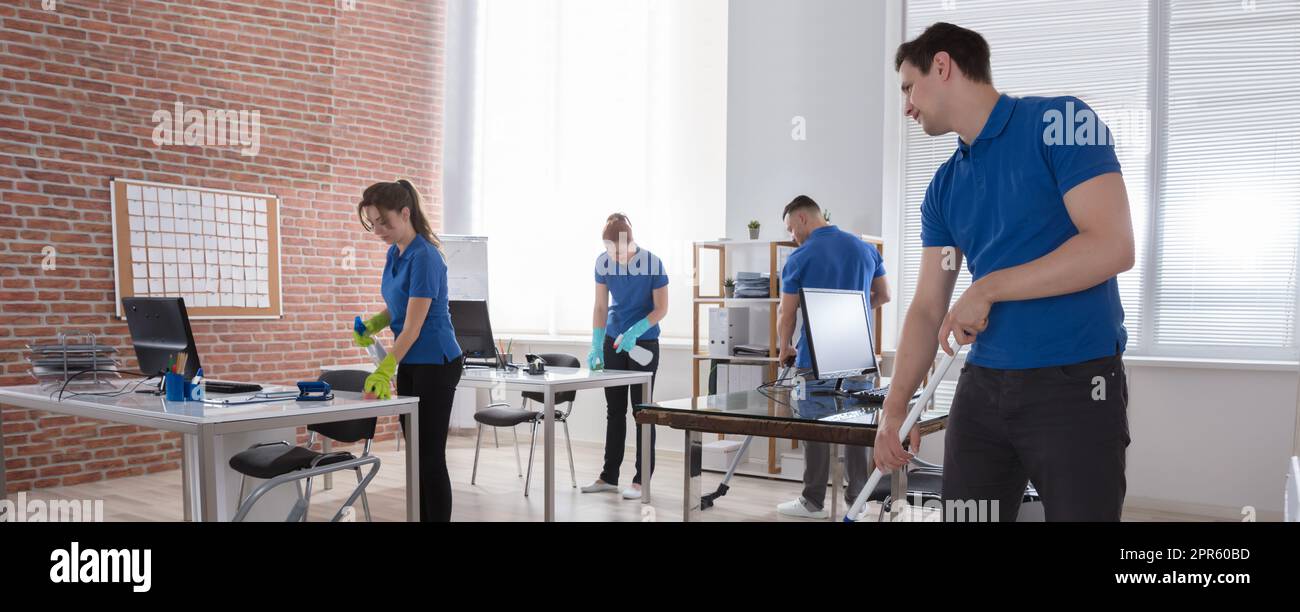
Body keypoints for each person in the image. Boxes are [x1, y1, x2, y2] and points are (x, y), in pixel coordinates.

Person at [877, 23, 1134, 522]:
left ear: (943, 65)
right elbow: (930, 305)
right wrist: (895, 409)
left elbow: (1112, 245)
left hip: (1076, 386)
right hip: (984, 391)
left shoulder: (1062, 122)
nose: (906, 106)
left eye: (908, 87)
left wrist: (990, 286)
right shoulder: (945, 186)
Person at [353, 179, 464, 522]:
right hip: (411, 361)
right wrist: (374, 324)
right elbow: (400, 307)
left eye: (384, 221)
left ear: (405, 212)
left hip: (437, 360)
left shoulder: (426, 257)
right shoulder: (395, 253)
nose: (379, 230)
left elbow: (415, 325)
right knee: (417, 455)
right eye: (373, 223)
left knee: (430, 456)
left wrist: (385, 368)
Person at [773, 196, 890, 519]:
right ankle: (858, 500)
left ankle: (813, 502)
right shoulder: (866, 249)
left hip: (814, 360)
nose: (792, 236)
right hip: (858, 356)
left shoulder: (800, 257)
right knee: (857, 431)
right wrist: (853, 316)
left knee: (815, 430)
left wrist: (784, 348)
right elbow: (885, 295)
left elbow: (788, 313)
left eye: (790, 229)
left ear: (801, 219)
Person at [580, 213, 669, 500]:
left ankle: (642, 480)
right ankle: (609, 476)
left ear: (631, 242)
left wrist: (637, 329)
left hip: (643, 342)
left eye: (619, 250)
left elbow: (661, 308)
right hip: (614, 341)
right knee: (614, 410)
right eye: (609, 250)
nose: (614, 256)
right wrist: (596, 344)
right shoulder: (602, 263)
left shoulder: (653, 263)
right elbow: (599, 306)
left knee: (641, 411)